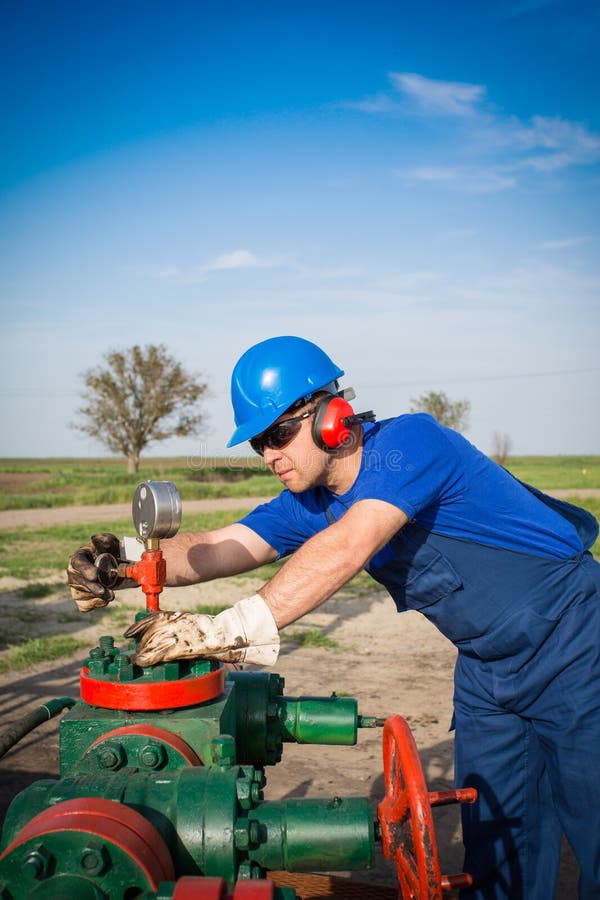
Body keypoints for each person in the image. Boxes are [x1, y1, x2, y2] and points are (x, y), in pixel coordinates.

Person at [68, 335, 600, 900]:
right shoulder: (313, 499)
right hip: (488, 672)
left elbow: (349, 545)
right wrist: (123, 561)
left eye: (278, 434)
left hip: (576, 643)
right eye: (257, 444)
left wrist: (220, 631)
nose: (269, 455)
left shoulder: (411, 444)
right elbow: (226, 545)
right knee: (497, 846)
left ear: (331, 416)